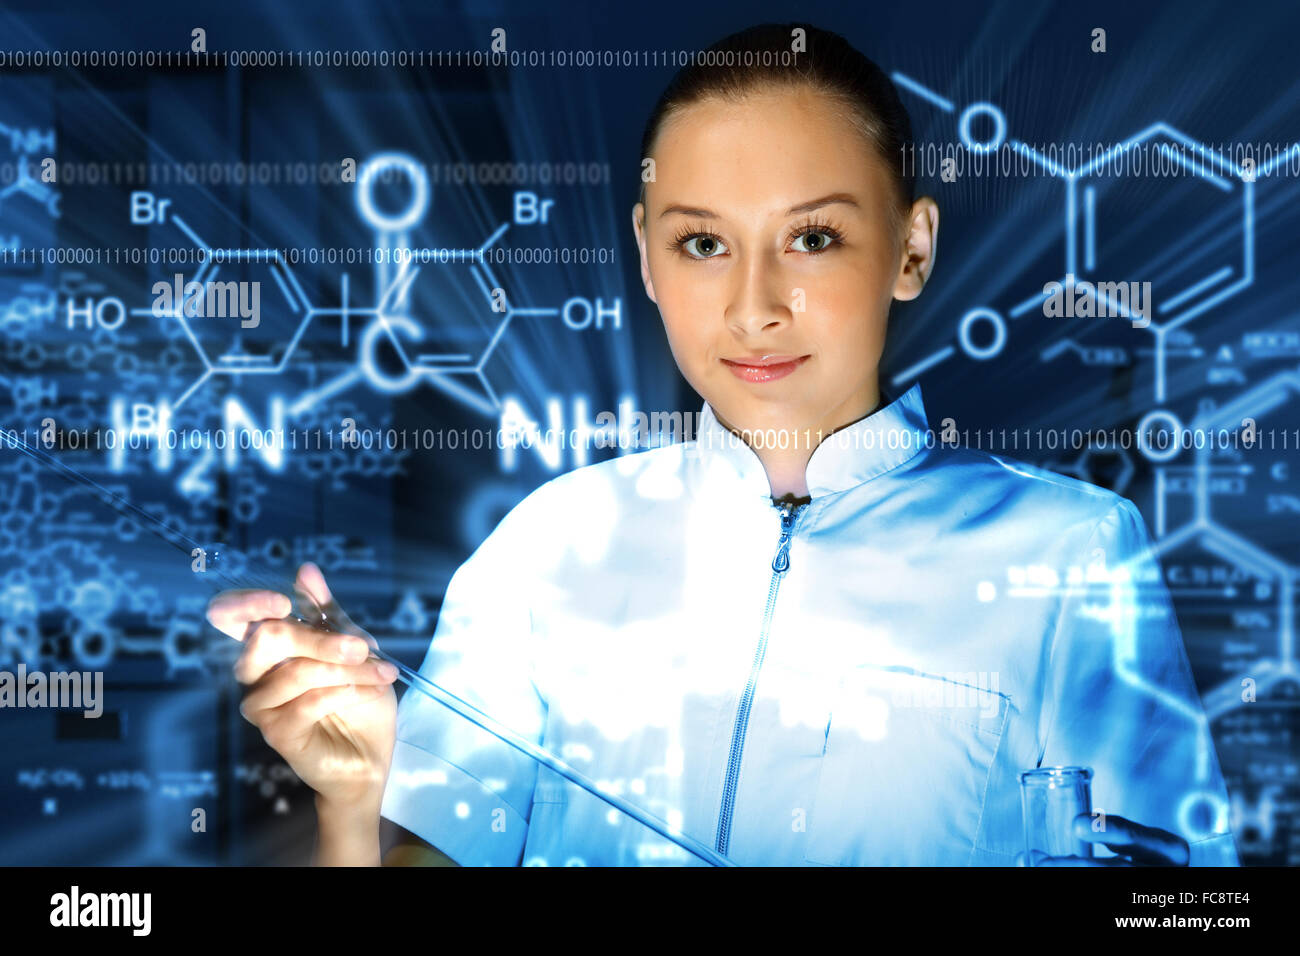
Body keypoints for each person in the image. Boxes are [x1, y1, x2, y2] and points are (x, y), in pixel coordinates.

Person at [206, 22, 1238, 866]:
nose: (754, 308)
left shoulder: (1067, 554)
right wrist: (351, 804)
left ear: (911, 247)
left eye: (813, 238)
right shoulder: (545, 546)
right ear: (647, 258)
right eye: (702, 244)